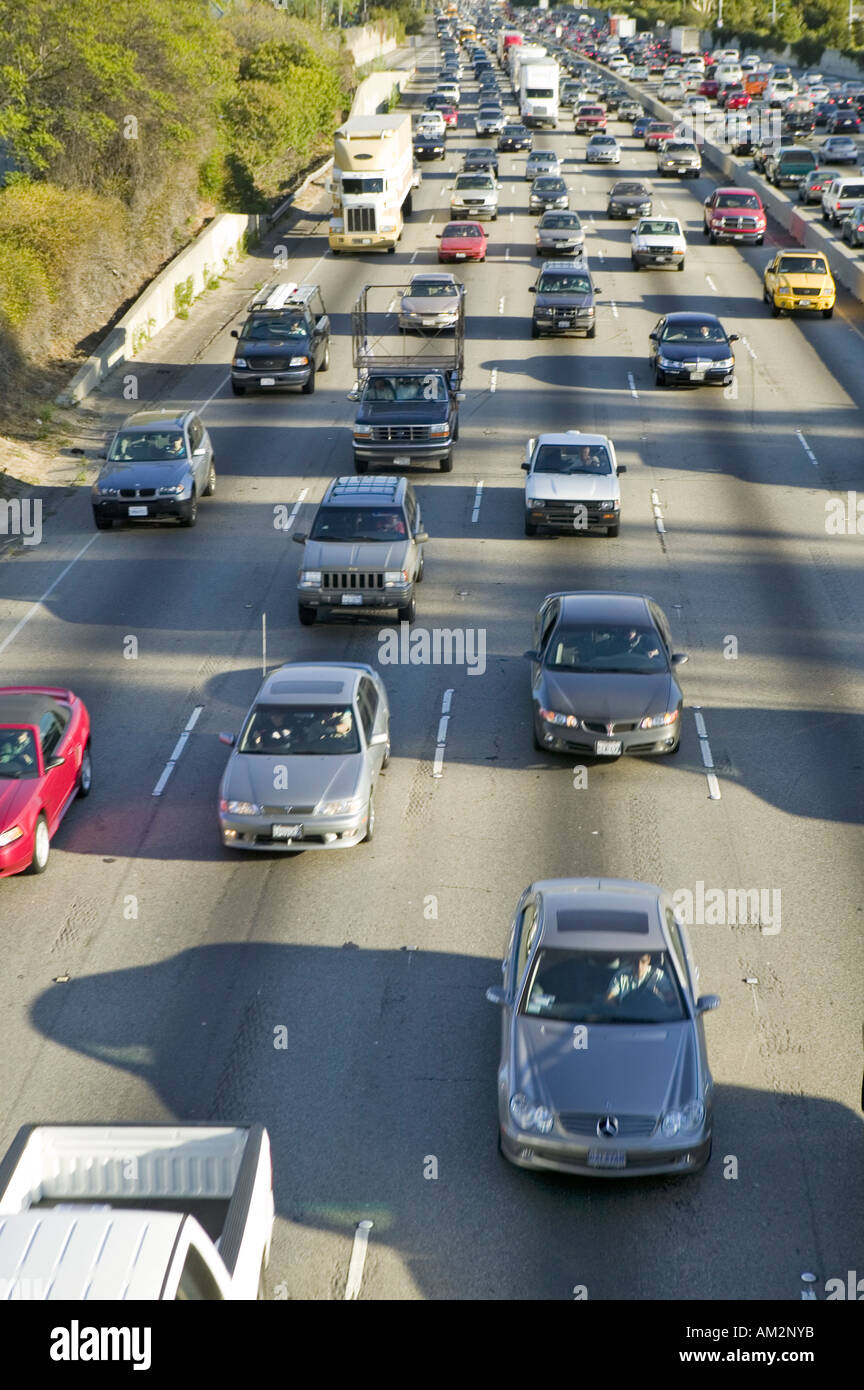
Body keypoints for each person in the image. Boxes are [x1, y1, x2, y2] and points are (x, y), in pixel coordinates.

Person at [607, 952, 675, 1005]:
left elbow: (671, 998)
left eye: (643, 961)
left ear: (648, 960)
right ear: (631, 960)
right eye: (636, 962)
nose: (639, 966)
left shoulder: (658, 976)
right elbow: (609, 999)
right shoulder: (621, 976)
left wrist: (659, 995)